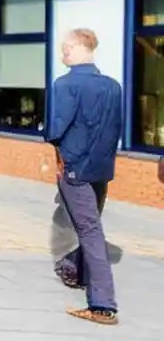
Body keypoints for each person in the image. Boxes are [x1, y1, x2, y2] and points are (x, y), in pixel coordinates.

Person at [46, 28, 122, 326]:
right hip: (101, 167)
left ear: (80, 48)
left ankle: (103, 305)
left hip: (74, 167)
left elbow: (56, 128)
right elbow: (116, 128)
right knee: (91, 225)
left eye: (66, 48)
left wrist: (59, 156)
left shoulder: (65, 84)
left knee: (90, 231)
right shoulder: (113, 86)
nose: (62, 53)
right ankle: (74, 269)